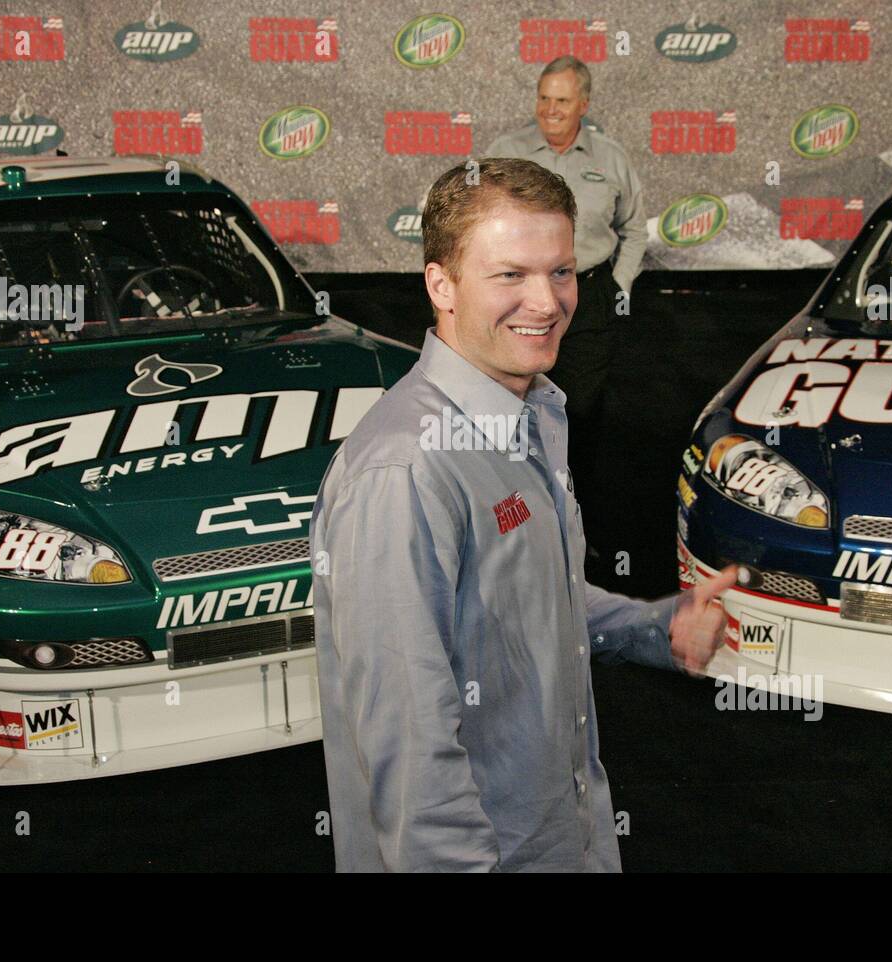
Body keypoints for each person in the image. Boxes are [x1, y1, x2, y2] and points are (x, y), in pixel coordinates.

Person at [309, 158, 735, 872]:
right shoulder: (404, 473)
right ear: (440, 284)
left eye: (561, 272)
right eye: (510, 275)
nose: (546, 302)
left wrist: (657, 626)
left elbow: (528, 599)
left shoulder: (533, 412)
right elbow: (413, 757)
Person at [486, 55, 646, 533]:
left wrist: (618, 286)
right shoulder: (504, 152)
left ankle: (573, 529)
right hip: (515, 298)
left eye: (561, 100)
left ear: (584, 104)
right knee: (509, 411)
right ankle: (511, 524)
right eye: (543, 98)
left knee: (577, 417)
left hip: (588, 300)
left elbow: (634, 229)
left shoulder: (611, 156)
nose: (549, 110)